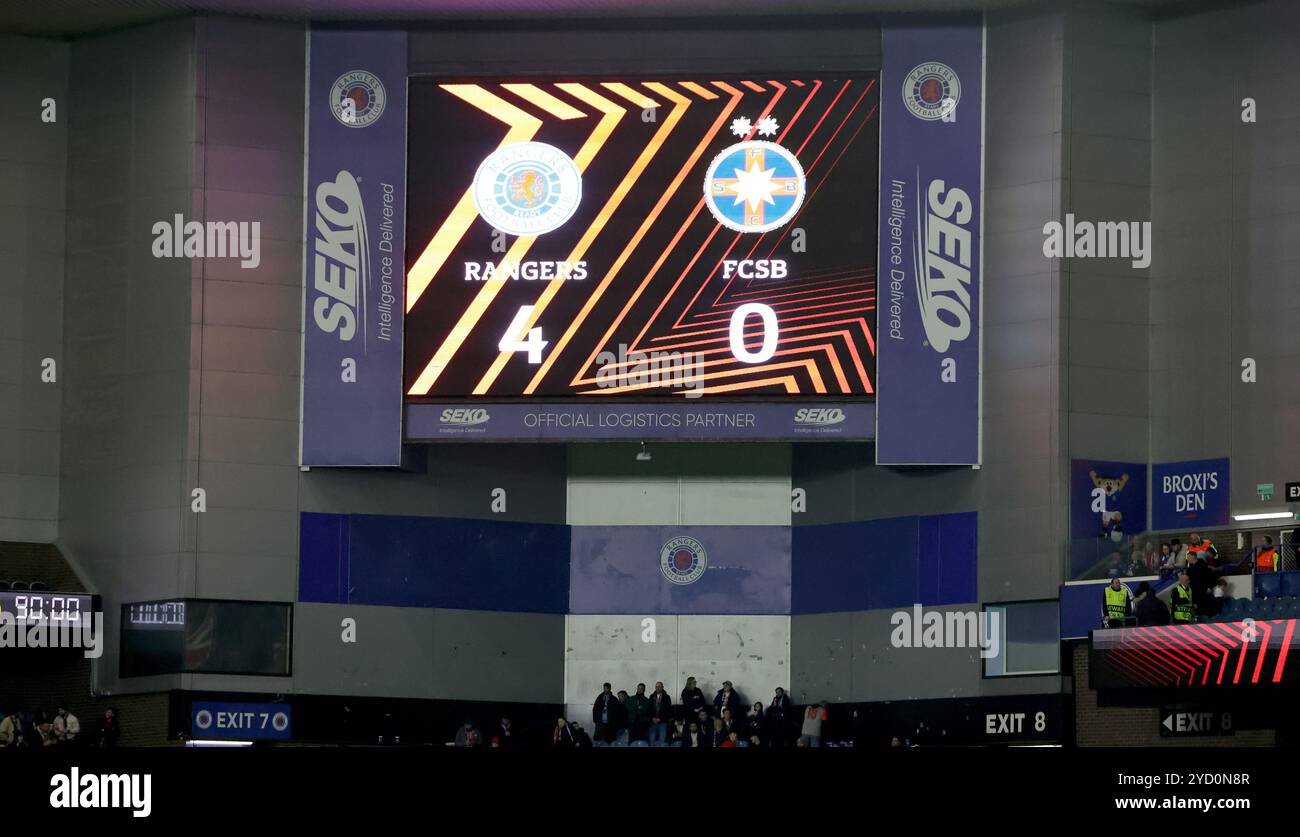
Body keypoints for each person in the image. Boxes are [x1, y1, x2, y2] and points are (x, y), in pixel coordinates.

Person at [648, 681, 673, 746]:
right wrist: (652, 718)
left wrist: (660, 719)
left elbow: (668, 711)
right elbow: (649, 709)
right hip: (653, 722)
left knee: (662, 740)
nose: (657, 688)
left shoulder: (667, 697)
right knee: (651, 740)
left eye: (659, 686)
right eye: (656, 687)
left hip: (662, 722)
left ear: (662, 687)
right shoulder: (651, 696)